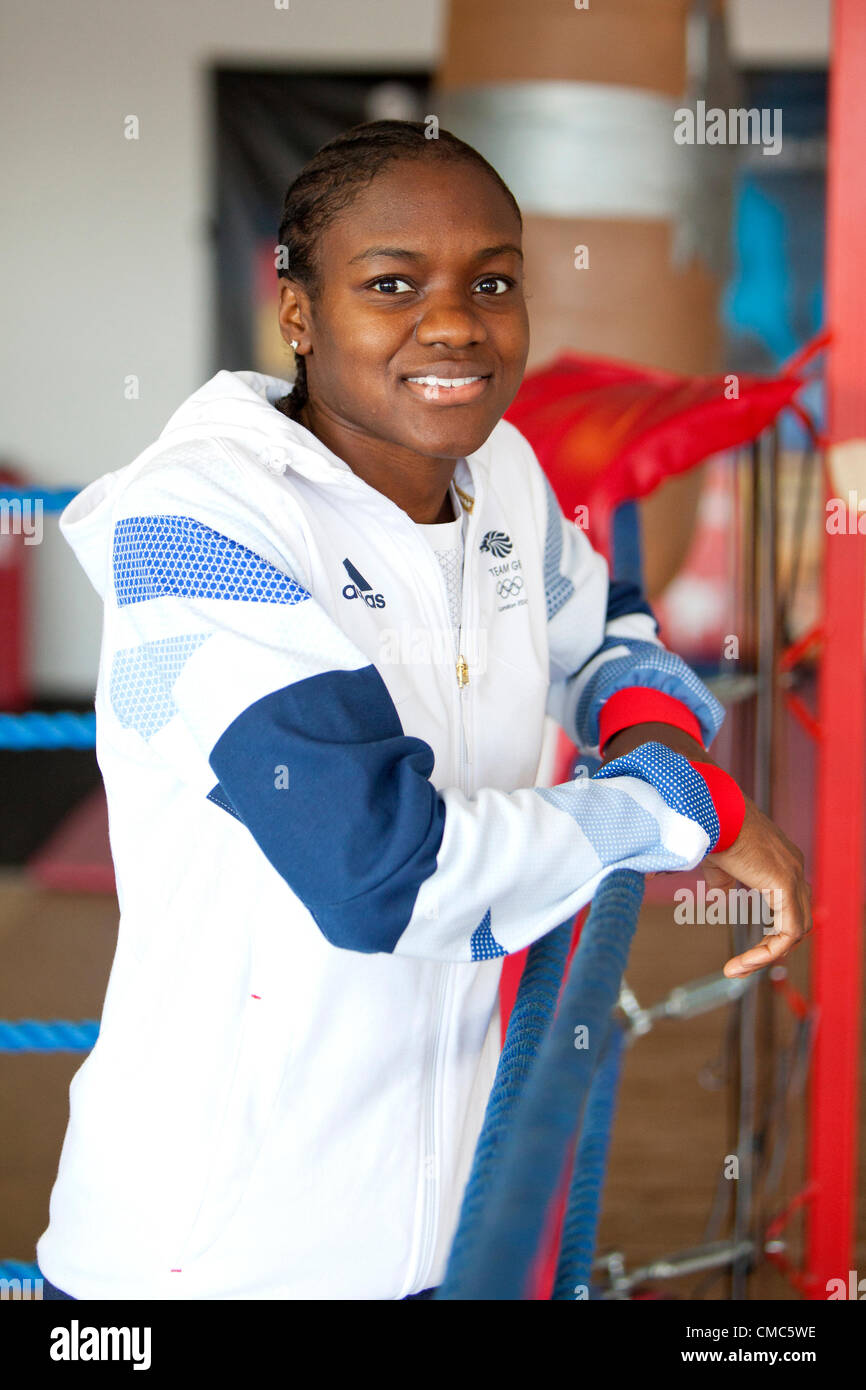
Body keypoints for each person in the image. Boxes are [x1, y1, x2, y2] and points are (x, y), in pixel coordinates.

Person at [36, 120, 810, 1301]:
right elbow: (385, 870)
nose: (454, 324)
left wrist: (650, 739)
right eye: (391, 283)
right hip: (214, 1251)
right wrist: (669, 810)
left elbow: (604, 631)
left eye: (491, 282)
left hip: (439, 1220)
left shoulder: (495, 471)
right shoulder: (197, 526)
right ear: (296, 314)